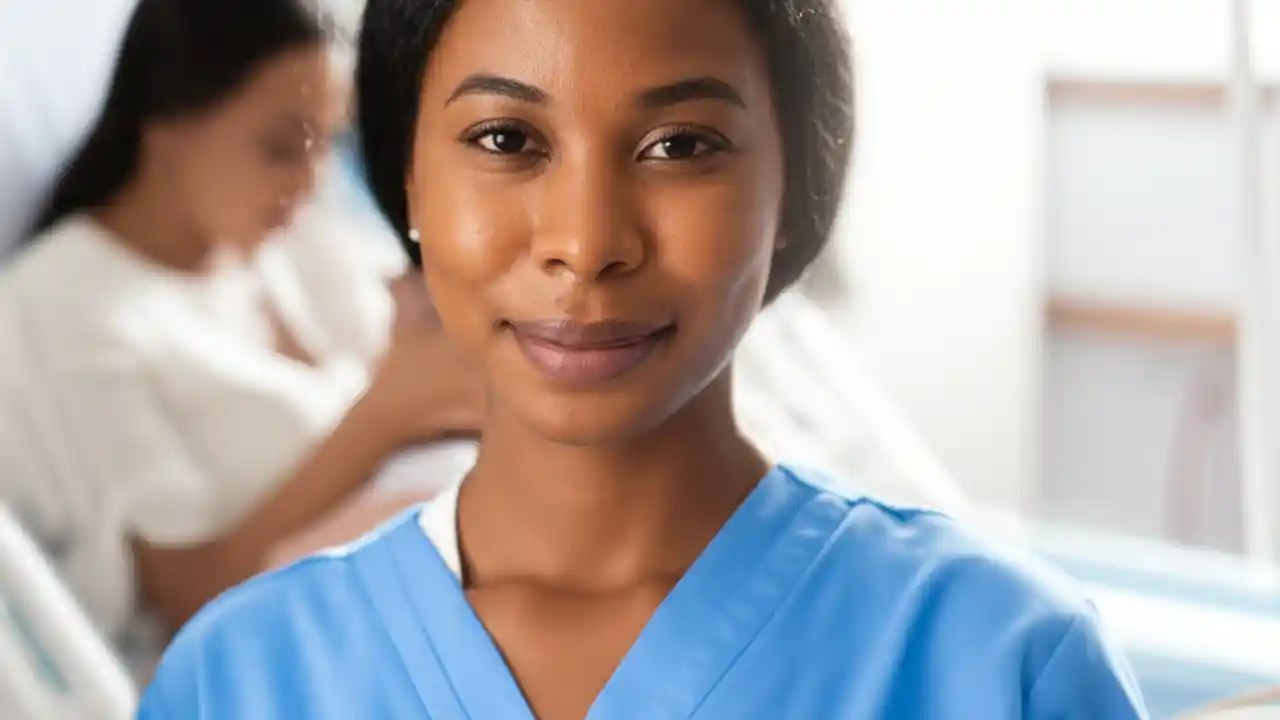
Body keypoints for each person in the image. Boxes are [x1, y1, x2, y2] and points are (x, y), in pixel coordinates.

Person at [139, 0, 1150, 717]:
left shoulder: (997, 664)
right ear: (404, 179)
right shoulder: (242, 680)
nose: (584, 242)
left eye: (679, 145)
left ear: (793, 188)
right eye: (503, 138)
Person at [0, 0, 483, 666]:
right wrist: (386, 416)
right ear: (167, 119)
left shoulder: (287, 239)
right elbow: (189, 598)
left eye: (324, 143)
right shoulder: (70, 317)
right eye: (281, 147)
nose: (309, 183)